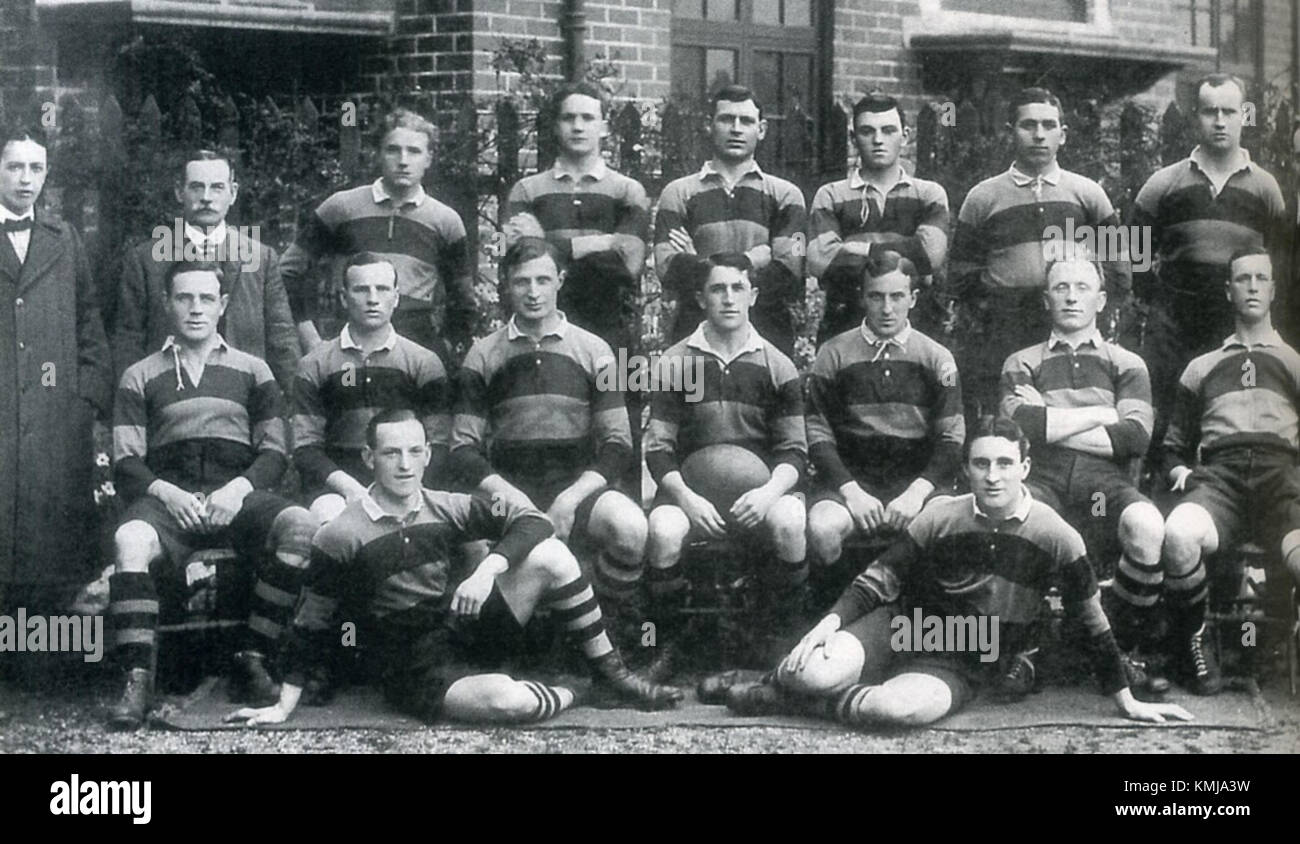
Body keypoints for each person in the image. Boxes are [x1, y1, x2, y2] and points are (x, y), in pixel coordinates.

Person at [708, 417, 1193, 729]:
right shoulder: (941, 514)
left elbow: (1092, 621)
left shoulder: (1057, 534)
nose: (993, 475)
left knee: (895, 711)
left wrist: (1127, 700)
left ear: (1025, 467)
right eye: (981, 464)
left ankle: (793, 701)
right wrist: (829, 623)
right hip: (905, 628)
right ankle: (776, 680)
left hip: (967, 656)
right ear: (968, 470)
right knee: (814, 669)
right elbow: (881, 578)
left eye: (1005, 463)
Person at [227, 409, 683, 726]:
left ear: (428, 454)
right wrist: (284, 706)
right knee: (508, 703)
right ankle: (579, 690)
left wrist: (487, 571)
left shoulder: (450, 506)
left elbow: (532, 521)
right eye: (391, 454)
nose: (405, 465)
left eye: (414, 452)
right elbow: (312, 622)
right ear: (369, 459)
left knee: (552, 555)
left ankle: (611, 674)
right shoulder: (340, 533)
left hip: (466, 624)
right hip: (412, 663)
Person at [108, 262, 318, 729]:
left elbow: (274, 450)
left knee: (303, 526)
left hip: (236, 494)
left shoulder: (252, 370)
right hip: (167, 498)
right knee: (130, 541)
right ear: (167, 304)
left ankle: (253, 655)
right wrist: (169, 493)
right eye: (184, 298)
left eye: (207, 299)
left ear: (223, 305)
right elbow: (126, 461)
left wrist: (238, 489)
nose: (196, 308)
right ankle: (137, 678)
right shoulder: (139, 375)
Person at [1000, 248, 1167, 692]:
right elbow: (1023, 429)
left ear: (1101, 298)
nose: (1071, 297)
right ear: (1045, 300)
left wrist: (1051, 422)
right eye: (1060, 287)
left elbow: (1133, 438)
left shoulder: (1127, 363)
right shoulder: (1021, 361)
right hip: (1040, 476)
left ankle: (1120, 648)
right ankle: (1026, 651)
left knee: (1148, 525)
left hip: (1104, 482)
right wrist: (1101, 414)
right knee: (1018, 523)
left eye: (1082, 287)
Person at [450, 238, 647, 614]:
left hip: (575, 486)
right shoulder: (484, 353)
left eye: (543, 280)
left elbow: (618, 444)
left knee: (631, 527)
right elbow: (462, 449)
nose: (533, 292)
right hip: (507, 489)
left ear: (561, 280)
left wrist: (569, 499)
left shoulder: (597, 351)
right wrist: (514, 501)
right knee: (470, 546)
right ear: (507, 285)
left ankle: (605, 622)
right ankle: (498, 644)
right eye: (522, 282)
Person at [642, 252, 808, 663]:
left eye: (738, 288)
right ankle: (665, 644)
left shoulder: (777, 364)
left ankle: (782, 639)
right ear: (701, 298)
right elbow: (658, 448)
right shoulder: (676, 362)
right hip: (691, 496)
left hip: (760, 496)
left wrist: (768, 494)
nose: (729, 299)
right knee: (662, 530)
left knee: (790, 521)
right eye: (718, 289)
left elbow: (795, 450)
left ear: (753, 295)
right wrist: (686, 499)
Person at [1157, 247, 1300, 696]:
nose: (1253, 286)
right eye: (1242, 279)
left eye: (1261, 278)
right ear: (1228, 290)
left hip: (1284, 478)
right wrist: (1179, 471)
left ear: (1274, 289)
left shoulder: (1295, 363)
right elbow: (1172, 446)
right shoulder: (1202, 367)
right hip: (1221, 478)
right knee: (1179, 534)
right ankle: (1193, 642)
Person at [949, 87, 1131, 421]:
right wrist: (990, 308)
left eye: (1048, 126)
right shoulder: (982, 197)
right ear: (1010, 131)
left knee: (1067, 408)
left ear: (1063, 134)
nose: (1038, 135)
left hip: (1068, 326)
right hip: (1005, 328)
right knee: (1006, 414)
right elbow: (961, 271)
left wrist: (1096, 314)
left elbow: (1122, 265)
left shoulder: (1089, 193)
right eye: (1028, 125)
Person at [504, 82, 652, 485]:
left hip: (612, 325)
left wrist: (549, 244)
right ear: (554, 126)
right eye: (569, 117)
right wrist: (598, 243)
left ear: (604, 127)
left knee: (620, 424)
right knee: (554, 420)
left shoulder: (627, 190)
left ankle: (622, 528)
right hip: (547, 326)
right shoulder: (527, 190)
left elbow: (627, 261)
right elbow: (520, 257)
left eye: (588, 117)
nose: (578, 126)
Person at [1131, 73, 1288, 447]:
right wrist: (1154, 299)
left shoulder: (1265, 187)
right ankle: (1162, 485)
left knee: (1230, 404)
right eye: (1209, 111)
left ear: (1243, 116)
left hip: (1234, 320)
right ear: (1195, 116)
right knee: (1165, 405)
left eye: (1229, 111)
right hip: (1175, 320)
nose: (1219, 121)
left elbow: (1281, 259)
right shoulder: (1164, 183)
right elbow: (1131, 248)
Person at [0, 125, 112, 623]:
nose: (27, 180)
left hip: (53, 411)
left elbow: (89, 320)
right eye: (15, 167)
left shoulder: (63, 238)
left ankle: (39, 646)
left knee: (49, 534)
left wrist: (85, 397)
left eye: (36, 169)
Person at [806, 250, 964, 575]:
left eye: (897, 296)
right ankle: (834, 615)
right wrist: (851, 492)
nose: (887, 308)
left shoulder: (937, 357)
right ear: (862, 298)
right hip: (851, 479)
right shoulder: (833, 353)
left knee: (951, 526)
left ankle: (924, 617)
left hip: (917, 480)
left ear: (914, 298)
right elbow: (817, 432)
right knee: (823, 528)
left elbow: (951, 437)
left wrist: (916, 494)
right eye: (876, 297)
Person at [279, 109, 475, 369]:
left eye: (414, 151)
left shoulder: (445, 220)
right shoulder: (341, 208)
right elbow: (288, 272)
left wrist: (445, 351)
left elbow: (463, 300)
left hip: (416, 354)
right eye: (393, 150)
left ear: (429, 158)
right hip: (349, 353)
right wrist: (310, 337)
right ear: (378, 154)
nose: (403, 160)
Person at [110, 149, 299, 391]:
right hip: (170, 398)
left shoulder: (261, 258)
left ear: (233, 193)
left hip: (243, 399)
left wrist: (291, 404)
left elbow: (281, 336)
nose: (206, 197)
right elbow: (129, 341)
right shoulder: (145, 260)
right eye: (197, 187)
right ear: (180, 192)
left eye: (217, 187)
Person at [293, 252, 451, 524]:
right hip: (339, 488)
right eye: (361, 290)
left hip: (407, 482)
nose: (373, 299)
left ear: (396, 297)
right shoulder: (315, 364)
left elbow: (438, 442)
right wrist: (349, 488)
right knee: (332, 521)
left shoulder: (424, 362)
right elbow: (306, 448)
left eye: (382, 289)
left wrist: (406, 489)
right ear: (344, 298)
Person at [654, 85, 807, 356]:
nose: (736, 129)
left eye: (746, 121)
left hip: (768, 335)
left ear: (761, 129)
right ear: (708, 125)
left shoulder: (787, 196)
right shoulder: (677, 193)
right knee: (692, 398)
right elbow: (668, 267)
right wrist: (753, 258)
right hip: (693, 333)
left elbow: (791, 269)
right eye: (726, 119)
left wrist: (701, 263)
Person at [808, 93, 949, 345]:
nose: (878, 140)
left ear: (905, 136)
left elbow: (931, 256)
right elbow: (822, 262)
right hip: (846, 326)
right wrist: (909, 260)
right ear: (853, 138)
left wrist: (861, 249)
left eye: (888, 130)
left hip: (917, 330)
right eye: (867, 131)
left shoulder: (929, 195)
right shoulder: (830, 195)